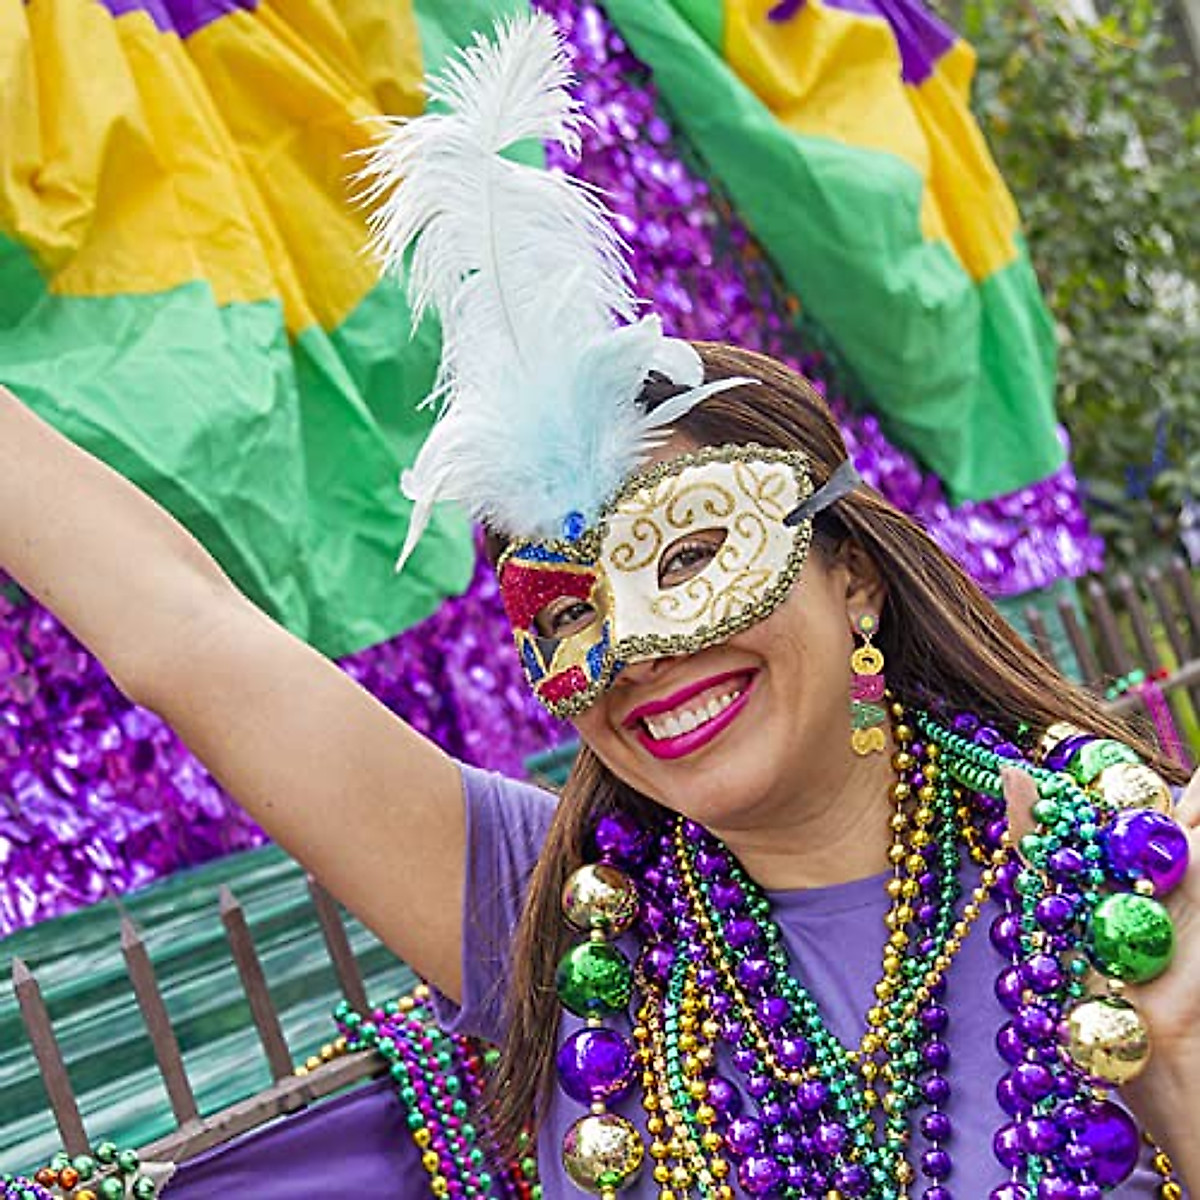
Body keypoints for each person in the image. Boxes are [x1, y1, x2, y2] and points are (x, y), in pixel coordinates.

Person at [1, 12, 1196, 1199]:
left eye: (685, 561)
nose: (637, 651)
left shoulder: (1127, 874)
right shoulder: (552, 921)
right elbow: (185, 630)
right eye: (568, 613)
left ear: (855, 575)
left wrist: (1179, 1051)